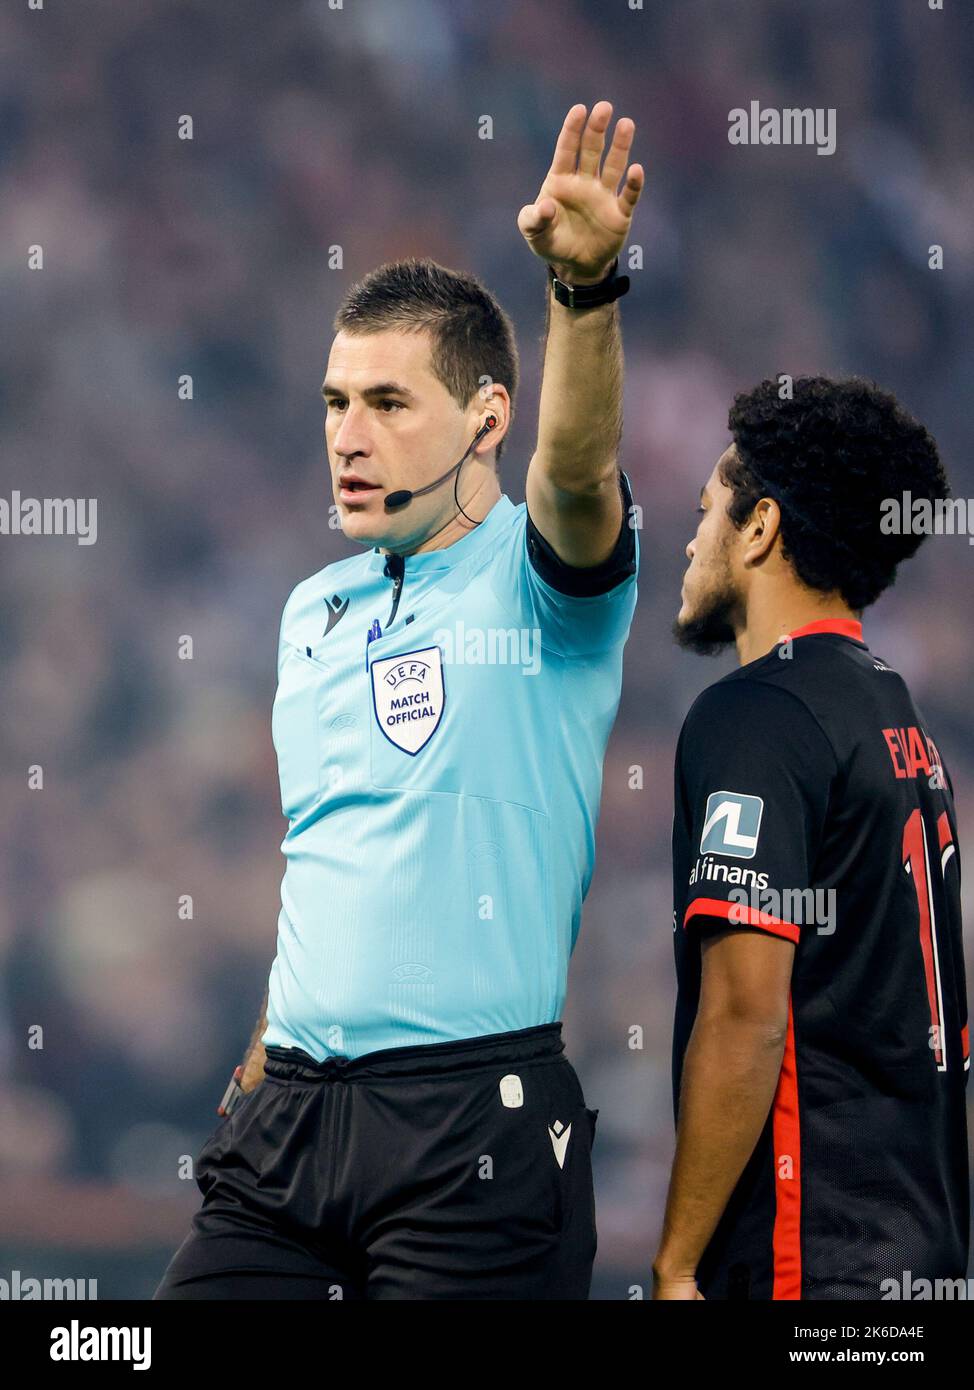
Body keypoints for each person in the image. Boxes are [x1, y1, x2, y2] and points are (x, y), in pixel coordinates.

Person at [155, 100, 644, 1301]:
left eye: (387, 403)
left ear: (485, 419)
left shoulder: (546, 583)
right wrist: (274, 1038)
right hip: (291, 1122)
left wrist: (580, 296)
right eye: (335, 403)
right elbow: (336, 855)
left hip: (472, 1124)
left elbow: (576, 470)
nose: (348, 437)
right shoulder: (308, 612)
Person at [655, 375, 969, 1301]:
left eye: (708, 508)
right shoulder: (896, 712)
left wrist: (675, 1267)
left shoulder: (757, 713)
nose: (691, 536)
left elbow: (747, 1012)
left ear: (758, 529)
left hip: (808, 1262)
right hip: (919, 1259)